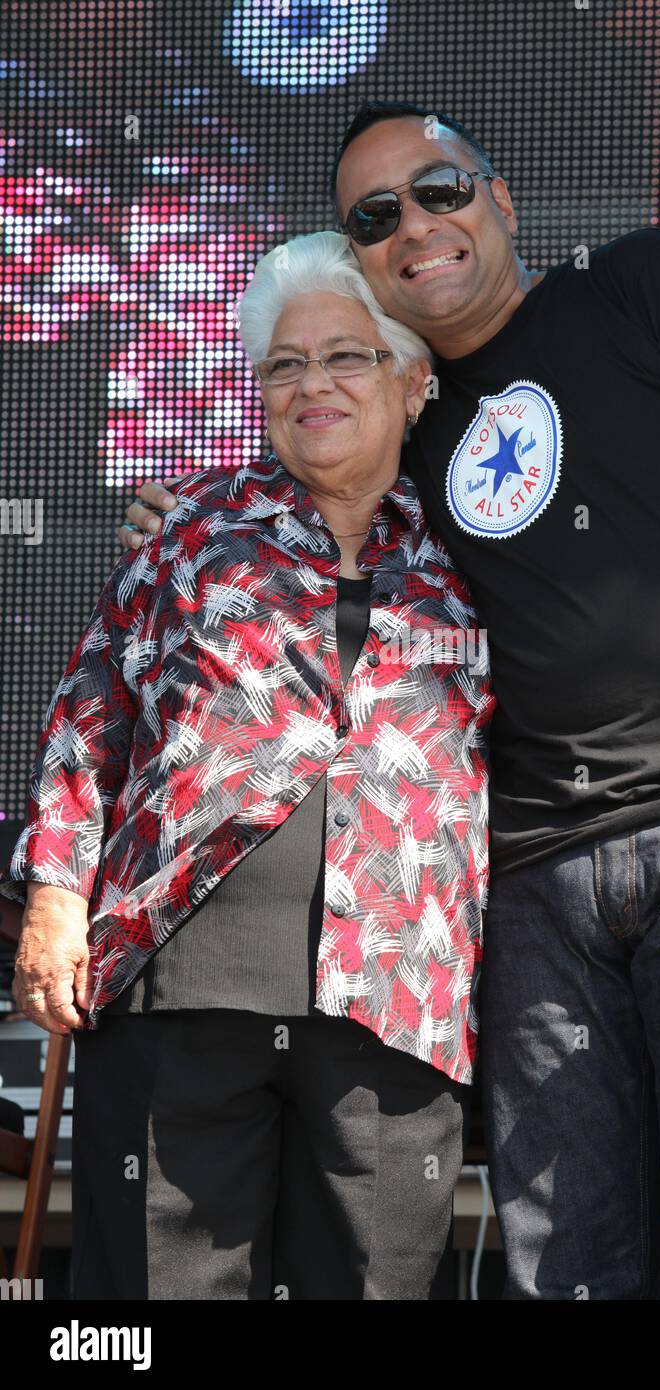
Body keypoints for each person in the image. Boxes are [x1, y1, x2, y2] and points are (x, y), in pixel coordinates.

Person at [122, 99, 660, 1301]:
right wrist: (184, 510)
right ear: (358, 258)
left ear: (500, 198)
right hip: (526, 888)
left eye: (438, 188)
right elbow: (296, 502)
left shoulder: (644, 281)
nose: (415, 223)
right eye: (374, 216)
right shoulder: (403, 420)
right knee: (559, 1269)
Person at [0, 229, 495, 1300]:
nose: (312, 382)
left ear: (414, 383)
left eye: (347, 355)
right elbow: (91, 715)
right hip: (182, 986)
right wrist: (52, 899)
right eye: (284, 361)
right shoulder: (189, 531)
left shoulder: (477, 554)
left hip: (394, 997)